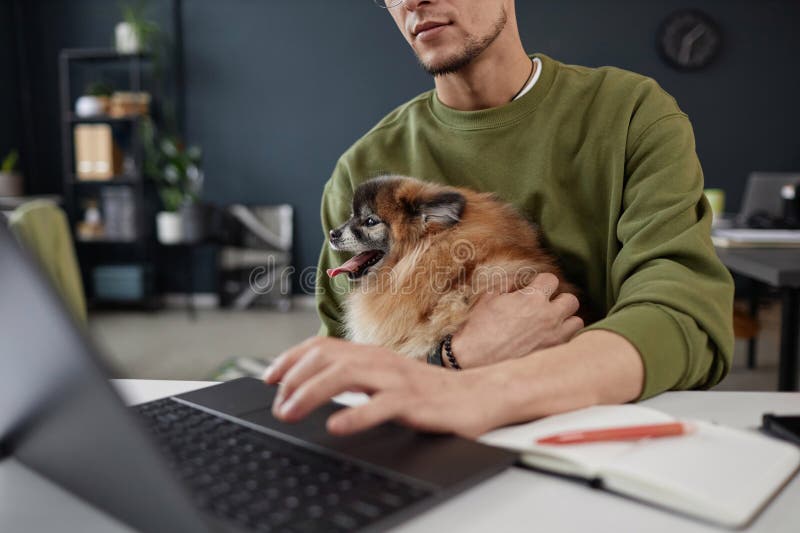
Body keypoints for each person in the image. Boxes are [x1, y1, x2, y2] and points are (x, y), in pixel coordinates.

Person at [263, 0, 734, 438]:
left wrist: (492, 390)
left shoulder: (631, 115)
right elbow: (347, 373)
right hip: (424, 447)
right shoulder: (362, 168)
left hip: (600, 439)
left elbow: (682, 316)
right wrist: (456, 358)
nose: (411, 1)